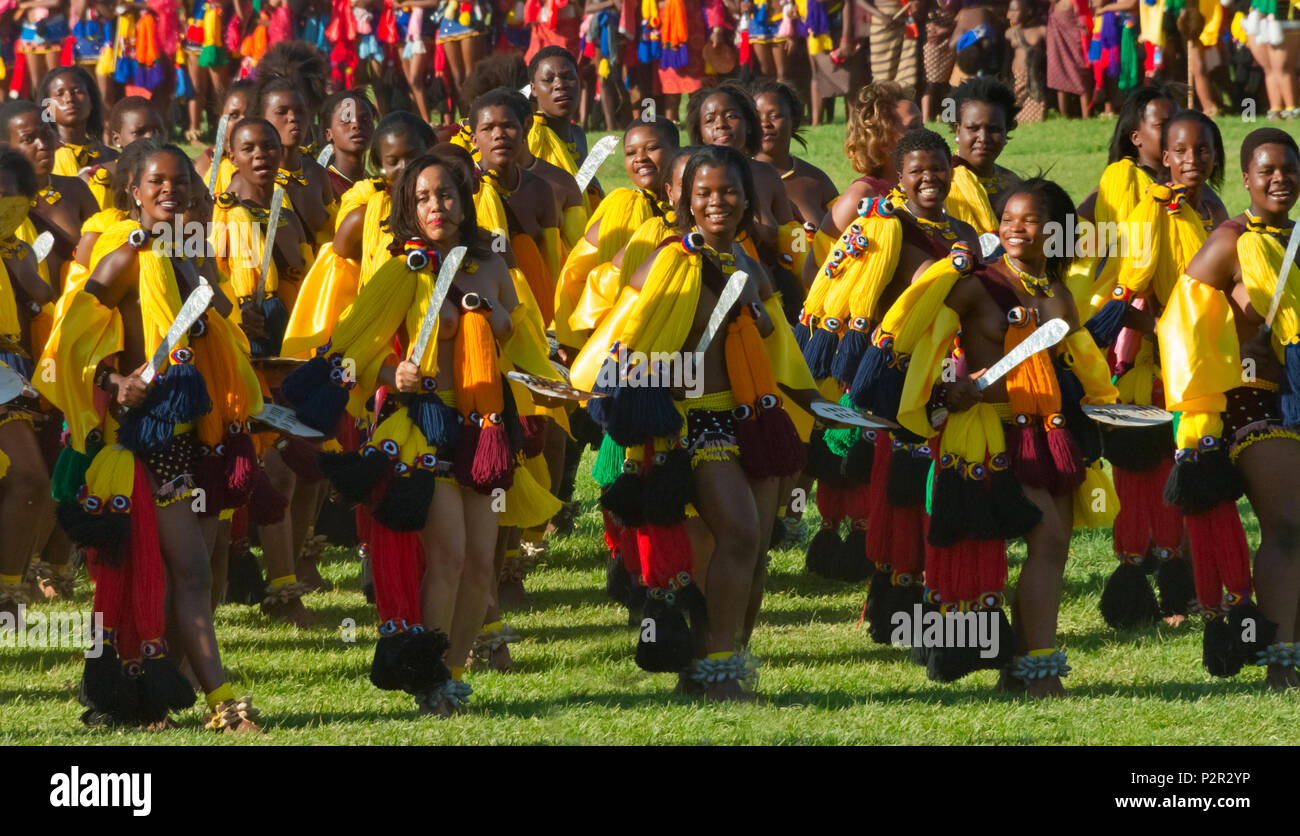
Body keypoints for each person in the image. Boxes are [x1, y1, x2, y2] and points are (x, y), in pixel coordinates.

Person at [38, 139, 264, 730]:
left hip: (182, 438)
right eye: (156, 182)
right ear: (132, 192)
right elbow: (65, 343)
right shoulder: (123, 259)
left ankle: (145, 695)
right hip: (134, 443)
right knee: (167, 572)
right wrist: (113, 380)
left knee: (182, 572)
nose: (170, 190)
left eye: (179, 181)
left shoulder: (187, 260)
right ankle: (219, 706)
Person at [588, 144, 823, 700]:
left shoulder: (746, 263)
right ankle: (716, 667)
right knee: (738, 535)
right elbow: (626, 343)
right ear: (686, 201)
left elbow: (781, 350)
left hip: (754, 419)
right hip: (696, 425)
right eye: (705, 193)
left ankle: (722, 661)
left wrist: (819, 405)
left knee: (755, 550)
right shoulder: (668, 261)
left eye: (728, 191)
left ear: (747, 199)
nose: (717, 202)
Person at [878, 176, 1118, 695]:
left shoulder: (1058, 296)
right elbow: (923, 337)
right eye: (1008, 218)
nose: (1015, 228)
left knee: (1054, 545)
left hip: (1042, 431)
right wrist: (947, 390)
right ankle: (1035, 670)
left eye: (1029, 220)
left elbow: (1080, 368)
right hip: (984, 432)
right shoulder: (976, 283)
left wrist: (1108, 410)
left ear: (1053, 232)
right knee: (1047, 537)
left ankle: (1026, 666)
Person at [1158, 127, 1300, 688]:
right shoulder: (1229, 240)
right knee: (1287, 527)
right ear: (1245, 178)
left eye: (1288, 168)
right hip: (1257, 402)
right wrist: (1238, 349)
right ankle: (1280, 660)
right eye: (1266, 170)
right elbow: (1181, 326)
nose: (1279, 179)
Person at [1086, 111, 1227, 629]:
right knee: (1147, 474)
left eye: (1204, 150)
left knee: (1188, 467)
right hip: (1154, 363)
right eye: (1183, 151)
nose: (1194, 160)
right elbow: (1131, 289)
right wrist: (1149, 334)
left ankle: (1195, 580)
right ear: (1165, 157)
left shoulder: (1213, 209)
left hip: (1205, 359)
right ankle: (1154, 581)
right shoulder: (1153, 210)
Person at [0, 150, 55, 617]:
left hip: (9, 370)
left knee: (32, 478)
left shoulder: (17, 248)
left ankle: (8, 594)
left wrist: (23, 275)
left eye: (8, 194)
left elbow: (43, 295)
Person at [751, 79, 838, 228]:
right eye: (757, 118)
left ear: (794, 121)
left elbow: (845, 234)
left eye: (774, 116)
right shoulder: (740, 177)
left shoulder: (816, 180)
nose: (765, 123)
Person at [945, 76, 1022, 235]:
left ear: (1006, 131)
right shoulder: (940, 181)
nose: (984, 138)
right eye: (973, 128)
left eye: (994, 129)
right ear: (958, 129)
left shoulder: (1013, 184)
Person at [38, 66, 117, 178]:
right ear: (48, 107)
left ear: (91, 101)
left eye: (77, 91)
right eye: (60, 94)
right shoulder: (44, 158)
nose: (69, 98)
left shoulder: (111, 156)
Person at [319, 90, 378, 196]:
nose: (356, 124)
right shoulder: (321, 186)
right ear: (329, 134)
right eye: (346, 120)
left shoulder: (377, 185)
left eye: (365, 119)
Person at [1046, 0, 1091, 117]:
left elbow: (1082, 19)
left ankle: (1086, 115)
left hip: (1074, 45)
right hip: (1057, 47)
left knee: (1081, 79)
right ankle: (1063, 115)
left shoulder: (1075, 2)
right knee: (1060, 79)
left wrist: (1083, 36)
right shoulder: (1054, 4)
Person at [1006, 0, 1048, 124]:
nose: (1011, 14)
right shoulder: (1009, 33)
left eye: (1016, 10)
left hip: (1035, 76)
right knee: (1016, 104)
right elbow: (1005, 60)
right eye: (1011, 10)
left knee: (1036, 108)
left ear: (1028, 11)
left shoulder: (1041, 30)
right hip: (1017, 76)